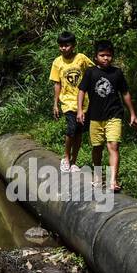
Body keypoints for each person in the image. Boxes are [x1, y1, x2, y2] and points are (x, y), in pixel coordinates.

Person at [76, 40, 137, 193]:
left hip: (114, 115)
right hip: (95, 117)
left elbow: (125, 93)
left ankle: (113, 180)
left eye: (109, 55)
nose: (106, 58)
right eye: (102, 55)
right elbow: (81, 91)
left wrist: (132, 113)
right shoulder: (90, 72)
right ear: (96, 56)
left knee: (113, 146)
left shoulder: (117, 73)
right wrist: (80, 110)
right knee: (97, 148)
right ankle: (98, 176)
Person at [49, 30, 93, 173]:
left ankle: (74, 161)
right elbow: (57, 84)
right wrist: (55, 104)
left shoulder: (81, 58)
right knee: (71, 129)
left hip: (83, 102)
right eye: (61, 45)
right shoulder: (57, 62)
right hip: (67, 102)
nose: (63, 48)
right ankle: (66, 158)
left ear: (73, 46)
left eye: (66, 45)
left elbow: (93, 72)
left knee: (79, 132)